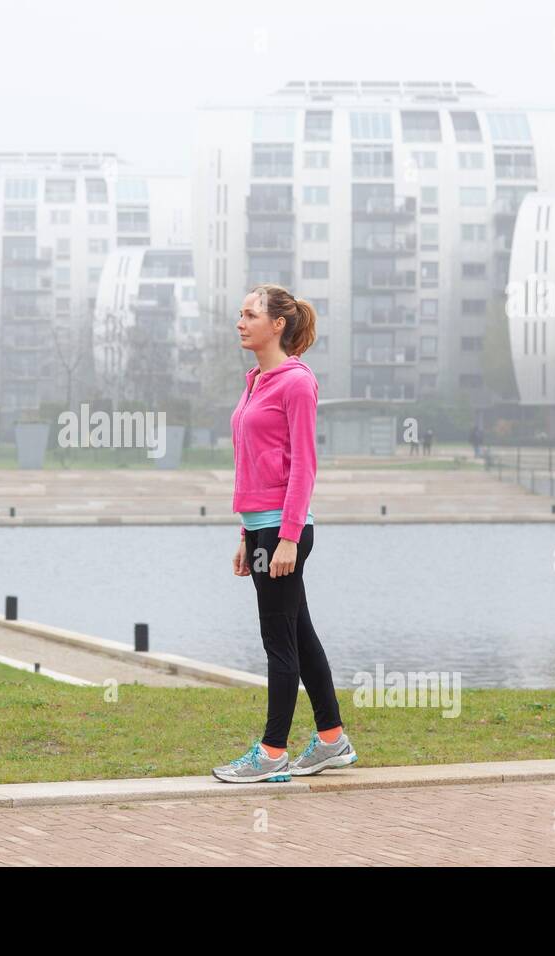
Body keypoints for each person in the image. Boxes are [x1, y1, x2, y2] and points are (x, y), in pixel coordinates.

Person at [214, 283, 359, 784]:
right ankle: (331, 739)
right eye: (240, 313)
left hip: (284, 531)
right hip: (261, 530)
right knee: (299, 632)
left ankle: (272, 753)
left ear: (278, 324)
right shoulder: (255, 380)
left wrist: (289, 538)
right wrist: (245, 535)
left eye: (250, 313)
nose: (241, 321)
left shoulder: (297, 383)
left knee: (279, 640)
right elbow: (251, 465)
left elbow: (303, 468)